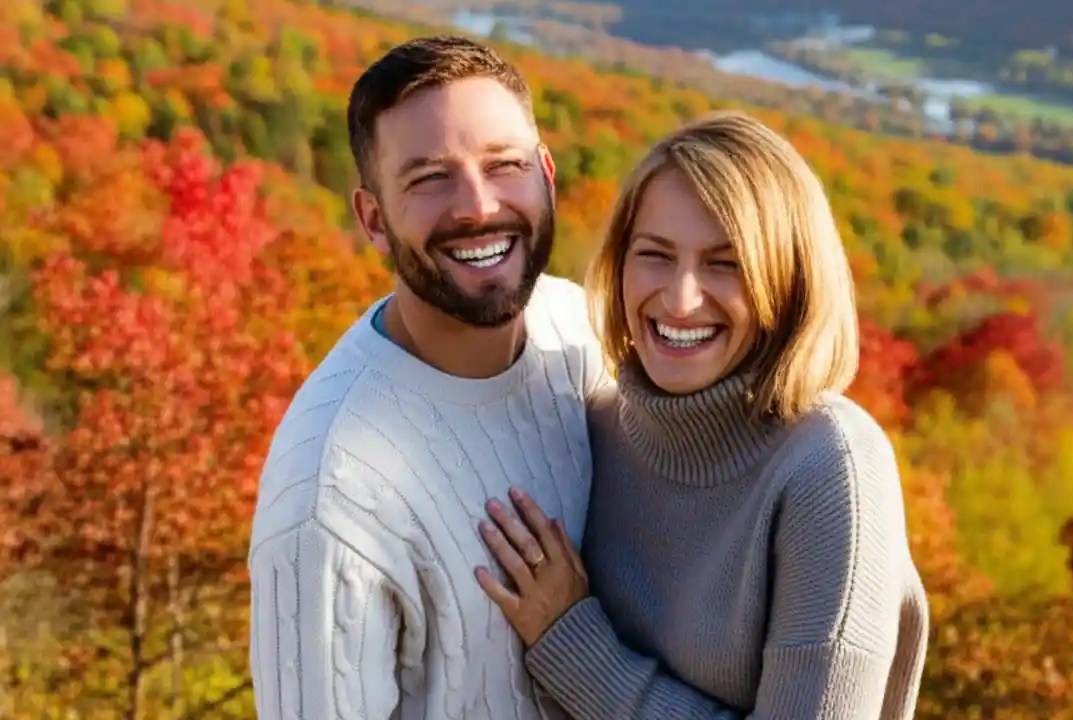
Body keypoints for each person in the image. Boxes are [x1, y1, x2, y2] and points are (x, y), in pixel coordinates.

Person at [473, 111, 929, 719]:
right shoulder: (595, 430)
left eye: (726, 263)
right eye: (655, 254)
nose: (682, 299)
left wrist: (577, 647)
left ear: (788, 283)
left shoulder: (830, 470)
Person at [246, 36, 606, 719]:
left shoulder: (583, 334)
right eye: (430, 178)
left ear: (547, 176)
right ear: (374, 220)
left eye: (505, 165)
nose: (478, 206)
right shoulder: (332, 495)